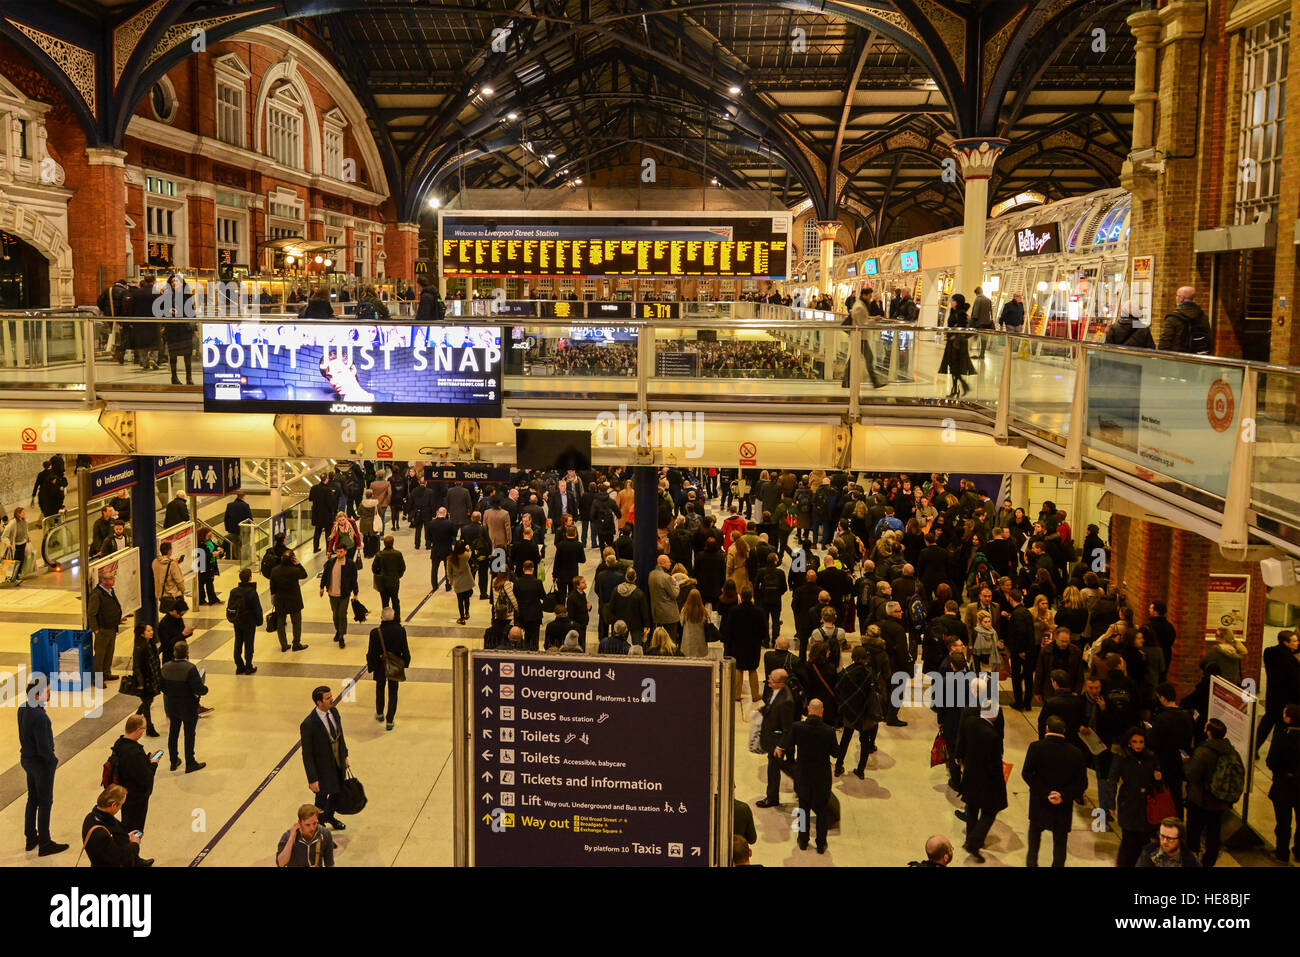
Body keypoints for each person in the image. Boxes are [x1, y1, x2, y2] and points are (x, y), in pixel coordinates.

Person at [1022, 714, 1087, 867]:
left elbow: (1027, 773)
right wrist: (1063, 796)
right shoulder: (1076, 753)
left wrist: (1045, 793)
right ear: (1064, 730)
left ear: (1047, 728)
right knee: (1060, 843)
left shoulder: (1036, 747)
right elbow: (1082, 784)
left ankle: (1032, 864)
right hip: (1063, 806)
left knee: (1034, 837)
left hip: (1039, 802)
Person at [1183, 717, 1242, 867]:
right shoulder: (1231, 751)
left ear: (1209, 733)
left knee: (1194, 833)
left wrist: (1187, 762)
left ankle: (1193, 860)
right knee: (1213, 835)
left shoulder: (1203, 751)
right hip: (1219, 802)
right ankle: (1209, 862)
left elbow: (1191, 774)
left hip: (1200, 800)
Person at [19, 677, 67, 855]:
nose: (50, 693)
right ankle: (45, 843)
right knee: (45, 802)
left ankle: (31, 837)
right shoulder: (40, 717)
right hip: (40, 764)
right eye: (47, 691)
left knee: (32, 798)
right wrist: (52, 760)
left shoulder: (23, 708)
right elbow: (44, 747)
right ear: (37, 695)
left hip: (27, 759)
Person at [954, 700, 1006, 862]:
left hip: (970, 773)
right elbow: (995, 763)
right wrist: (1000, 781)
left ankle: (970, 836)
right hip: (987, 778)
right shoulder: (993, 735)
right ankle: (974, 841)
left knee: (972, 807)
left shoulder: (970, 722)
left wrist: (958, 755)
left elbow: (960, 739)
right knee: (990, 811)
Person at [1104, 726, 1163, 867]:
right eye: (1135, 741)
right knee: (1128, 841)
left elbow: (1158, 783)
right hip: (1128, 803)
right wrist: (1110, 803)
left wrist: (1158, 778)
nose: (1138, 745)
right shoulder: (1122, 757)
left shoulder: (1150, 757)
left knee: (1144, 841)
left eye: (1141, 742)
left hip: (1146, 806)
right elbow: (1112, 780)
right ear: (1129, 742)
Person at [787, 698, 837, 853]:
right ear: (822, 712)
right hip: (821, 777)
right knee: (822, 811)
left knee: (803, 809)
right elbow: (835, 753)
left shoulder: (797, 727)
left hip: (803, 775)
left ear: (808, 709)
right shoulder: (829, 731)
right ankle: (821, 844)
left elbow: (789, 745)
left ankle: (803, 841)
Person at [300, 686, 350, 830]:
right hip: (322, 770)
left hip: (337, 764)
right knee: (321, 800)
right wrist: (312, 779)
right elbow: (307, 754)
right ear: (319, 702)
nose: (332, 700)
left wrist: (344, 755)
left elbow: (341, 737)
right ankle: (320, 828)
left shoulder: (334, 712)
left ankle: (329, 816)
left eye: (331, 696)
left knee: (336, 793)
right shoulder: (308, 725)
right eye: (328, 698)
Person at [835, 644, 881, 778]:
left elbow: (838, 690)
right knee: (865, 741)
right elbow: (876, 690)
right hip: (865, 713)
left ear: (853, 657)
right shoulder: (869, 673)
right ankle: (860, 770)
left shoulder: (845, 672)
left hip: (849, 712)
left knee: (845, 740)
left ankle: (838, 766)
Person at [161, 639, 207, 773]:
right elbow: (198, 688)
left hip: (172, 706)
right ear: (187, 652)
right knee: (189, 734)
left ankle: (173, 761)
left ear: (174, 653)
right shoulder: (190, 668)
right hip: (188, 706)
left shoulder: (166, 667)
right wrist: (205, 689)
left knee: (173, 732)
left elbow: (162, 686)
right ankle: (190, 762)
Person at [111, 714, 160, 833]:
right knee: (135, 829)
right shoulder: (134, 752)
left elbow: (133, 767)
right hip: (136, 797)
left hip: (125, 792)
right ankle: (132, 849)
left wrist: (146, 759)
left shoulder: (120, 743)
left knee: (127, 823)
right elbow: (146, 777)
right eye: (143, 729)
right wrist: (153, 763)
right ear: (138, 730)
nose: (143, 732)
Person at [81, 786, 151, 867]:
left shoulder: (90, 817)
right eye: (121, 804)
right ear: (114, 805)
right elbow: (120, 858)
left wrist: (125, 837)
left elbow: (108, 847)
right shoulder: (100, 834)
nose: (121, 808)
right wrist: (135, 844)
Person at [756, 669, 796, 808]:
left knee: (774, 769)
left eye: (771, 680)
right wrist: (763, 709)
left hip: (777, 742)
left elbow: (787, 728)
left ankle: (772, 798)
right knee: (776, 767)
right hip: (771, 737)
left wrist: (780, 746)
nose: (768, 681)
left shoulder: (786, 701)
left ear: (780, 684)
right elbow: (771, 704)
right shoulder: (776, 691)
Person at [1266, 702, 1300, 862]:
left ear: (1289, 719)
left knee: (1283, 821)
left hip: (1284, 784)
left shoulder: (1282, 736)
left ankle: (1282, 852)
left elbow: (1271, 761)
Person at [1257, 631, 1300, 757]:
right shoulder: (1291, 662)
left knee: (1266, 723)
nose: (1297, 643)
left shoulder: (1269, 652)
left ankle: (1253, 748)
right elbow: (1296, 683)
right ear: (1286, 643)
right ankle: (1275, 753)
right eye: (1295, 641)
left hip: (1272, 697)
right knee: (1280, 728)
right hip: (1287, 700)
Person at [367, 608, 411, 730]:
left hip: (380, 665)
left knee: (380, 688)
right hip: (395, 665)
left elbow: (371, 652)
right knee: (393, 692)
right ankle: (390, 720)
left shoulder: (375, 633)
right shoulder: (400, 631)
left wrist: (371, 667)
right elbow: (405, 649)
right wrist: (405, 663)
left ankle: (380, 713)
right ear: (393, 617)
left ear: (381, 618)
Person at [87, 571, 125, 683]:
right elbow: (91, 614)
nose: (113, 580)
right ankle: (98, 679)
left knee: (109, 652)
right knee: (100, 655)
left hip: (111, 627)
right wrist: (96, 630)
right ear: (103, 581)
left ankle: (106, 673)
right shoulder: (97, 594)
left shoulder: (110, 591)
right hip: (102, 629)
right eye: (110, 578)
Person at [270, 549, 310, 652]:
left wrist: (273, 598)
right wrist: (298, 564)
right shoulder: (295, 571)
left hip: (280, 600)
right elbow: (304, 575)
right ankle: (296, 644)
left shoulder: (274, 570)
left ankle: (283, 645)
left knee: (280, 623)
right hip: (294, 600)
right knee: (296, 623)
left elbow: (272, 586)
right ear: (292, 560)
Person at [320, 545, 359, 649]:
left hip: (344, 594)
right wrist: (322, 587)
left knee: (342, 614)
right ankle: (338, 630)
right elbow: (325, 575)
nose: (338, 554)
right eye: (337, 552)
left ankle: (341, 636)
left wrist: (356, 593)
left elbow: (354, 580)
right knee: (335, 615)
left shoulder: (350, 564)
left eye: (341, 552)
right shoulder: (331, 563)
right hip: (332, 593)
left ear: (345, 552)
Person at [130, 623, 163, 737]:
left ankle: (135, 718)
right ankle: (149, 727)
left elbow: (154, 660)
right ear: (142, 634)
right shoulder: (140, 648)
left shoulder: (151, 645)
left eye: (152, 630)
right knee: (147, 703)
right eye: (148, 631)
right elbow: (137, 667)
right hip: (145, 680)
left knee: (147, 701)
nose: (151, 632)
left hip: (153, 678)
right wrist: (140, 683)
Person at [939, 293, 975, 397]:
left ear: (958, 302)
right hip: (951, 343)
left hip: (957, 344)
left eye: (953, 300)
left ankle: (959, 387)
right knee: (953, 366)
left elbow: (962, 328)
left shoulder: (961, 313)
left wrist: (954, 334)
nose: (951, 302)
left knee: (955, 366)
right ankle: (957, 388)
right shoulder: (953, 312)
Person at [228, 568, 263, 675]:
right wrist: (259, 621)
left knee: (238, 642)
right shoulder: (252, 592)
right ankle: (248, 666)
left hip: (237, 621)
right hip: (249, 621)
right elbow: (257, 608)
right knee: (249, 644)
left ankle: (239, 666)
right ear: (250, 578)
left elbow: (230, 606)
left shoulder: (234, 591)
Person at [1157, 286, 1210, 354]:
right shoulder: (1203, 316)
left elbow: (1164, 342)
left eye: (1177, 295)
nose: (1176, 298)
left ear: (1181, 298)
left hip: (1178, 359)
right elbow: (1208, 339)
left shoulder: (1173, 318)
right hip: (1198, 358)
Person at [1136, 817, 1201, 867]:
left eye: (1170, 838)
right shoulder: (1149, 852)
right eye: (1162, 836)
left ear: (1180, 839)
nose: (1164, 842)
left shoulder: (1190, 861)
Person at [157, 598, 193, 663]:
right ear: (174, 611)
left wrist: (188, 632)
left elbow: (182, 633)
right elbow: (167, 645)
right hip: (170, 658)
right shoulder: (163, 625)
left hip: (182, 654)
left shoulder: (178, 619)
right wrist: (183, 634)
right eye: (181, 614)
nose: (181, 616)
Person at [1, 506, 31, 583]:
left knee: (21, 560)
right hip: (15, 546)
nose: (24, 514)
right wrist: (7, 543)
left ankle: (17, 575)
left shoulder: (25, 521)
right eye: (22, 512)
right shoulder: (12, 523)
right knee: (14, 561)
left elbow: (26, 531)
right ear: (18, 514)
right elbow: (4, 536)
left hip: (23, 543)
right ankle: (10, 577)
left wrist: (27, 537)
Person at [448, 540, 474, 625]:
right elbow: (469, 551)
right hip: (467, 581)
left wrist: (451, 581)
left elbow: (449, 572)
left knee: (460, 601)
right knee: (467, 599)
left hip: (458, 583)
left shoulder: (450, 559)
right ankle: (467, 613)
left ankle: (462, 618)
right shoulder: (466, 556)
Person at [196, 528, 224, 605]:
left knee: (210, 582)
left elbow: (213, 546)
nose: (210, 535)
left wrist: (218, 548)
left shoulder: (209, 541)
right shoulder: (199, 543)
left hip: (211, 564)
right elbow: (200, 555)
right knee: (201, 583)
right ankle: (201, 600)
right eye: (209, 534)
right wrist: (212, 554)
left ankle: (213, 599)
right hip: (202, 565)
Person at [223, 492, 253, 562]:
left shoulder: (229, 505)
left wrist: (228, 528)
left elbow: (226, 518)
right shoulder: (245, 505)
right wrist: (250, 528)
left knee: (235, 543)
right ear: (243, 496)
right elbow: (249, 518)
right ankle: (245, 559)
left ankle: (237, 558)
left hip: (233, 529)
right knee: (245, 543)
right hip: (244, 529)